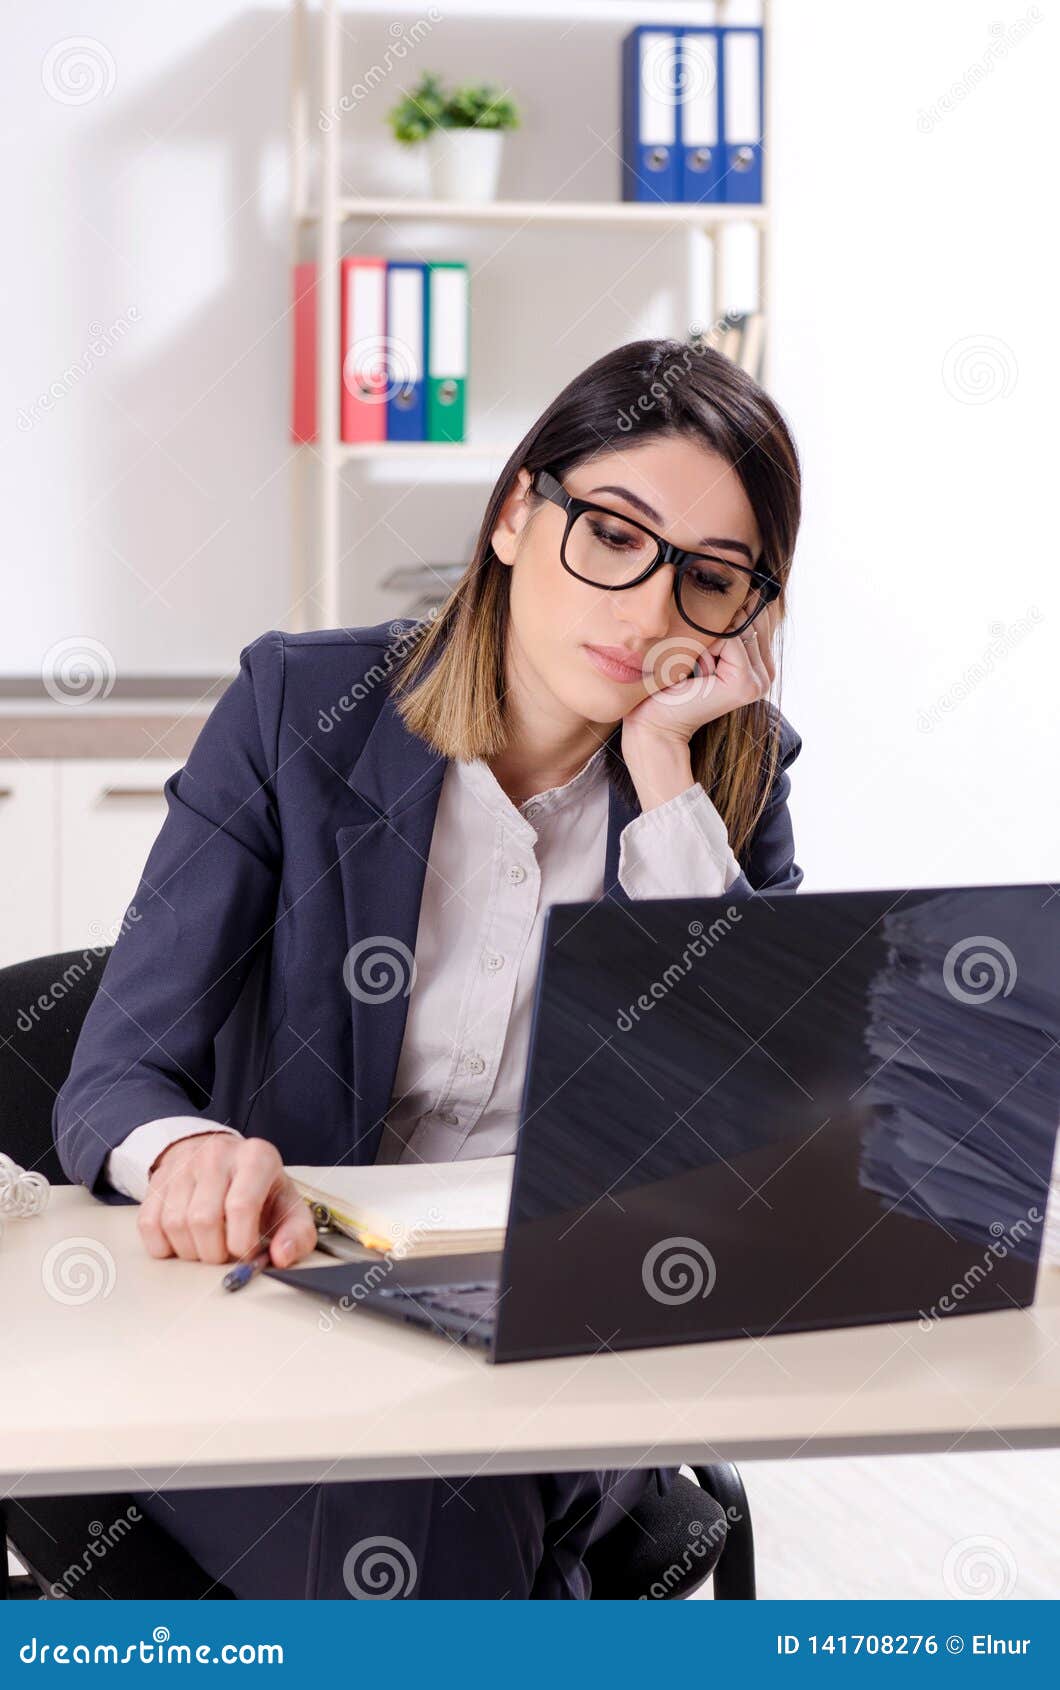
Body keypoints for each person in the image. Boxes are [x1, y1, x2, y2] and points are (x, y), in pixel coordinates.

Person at [53, 336, 804, 1598]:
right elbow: (115, 1071)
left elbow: (756, 1140)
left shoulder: (730, 770)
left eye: (709, 579)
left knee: (464, 1514)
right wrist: (188, 1155)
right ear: (517, 511)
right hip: (289, 1317)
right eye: (613, 535)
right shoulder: (302, 710)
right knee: (446, 1530)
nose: (648, 611)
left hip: (574, 1334)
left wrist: (668, 780)